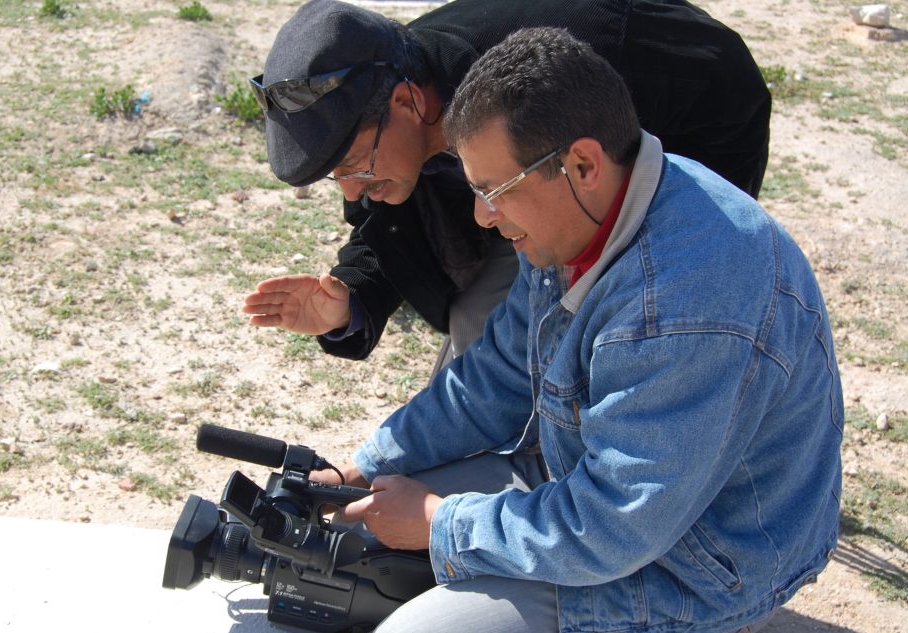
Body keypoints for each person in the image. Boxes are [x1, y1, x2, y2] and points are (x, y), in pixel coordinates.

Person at [323, 26, 844, 633]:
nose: (482, 217)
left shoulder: (681, 305)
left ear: (583, 164)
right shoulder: (584, 214)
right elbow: (495, 378)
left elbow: (614, 526)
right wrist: (366, 464)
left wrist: (440, 523)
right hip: (610, 494)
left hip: (697, 564)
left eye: (493, 190)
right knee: (365, 522)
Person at [242, 0, 772, 371]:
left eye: (355, 165)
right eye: (336, 176)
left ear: (408, 103)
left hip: (675, 148)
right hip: (546, 193)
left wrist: (682, 237)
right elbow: (389, 227)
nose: (352, 191)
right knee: (487, 326)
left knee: (612, 333)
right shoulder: (398, 94)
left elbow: (723, 79)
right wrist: (351, 298)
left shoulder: (556, 67)